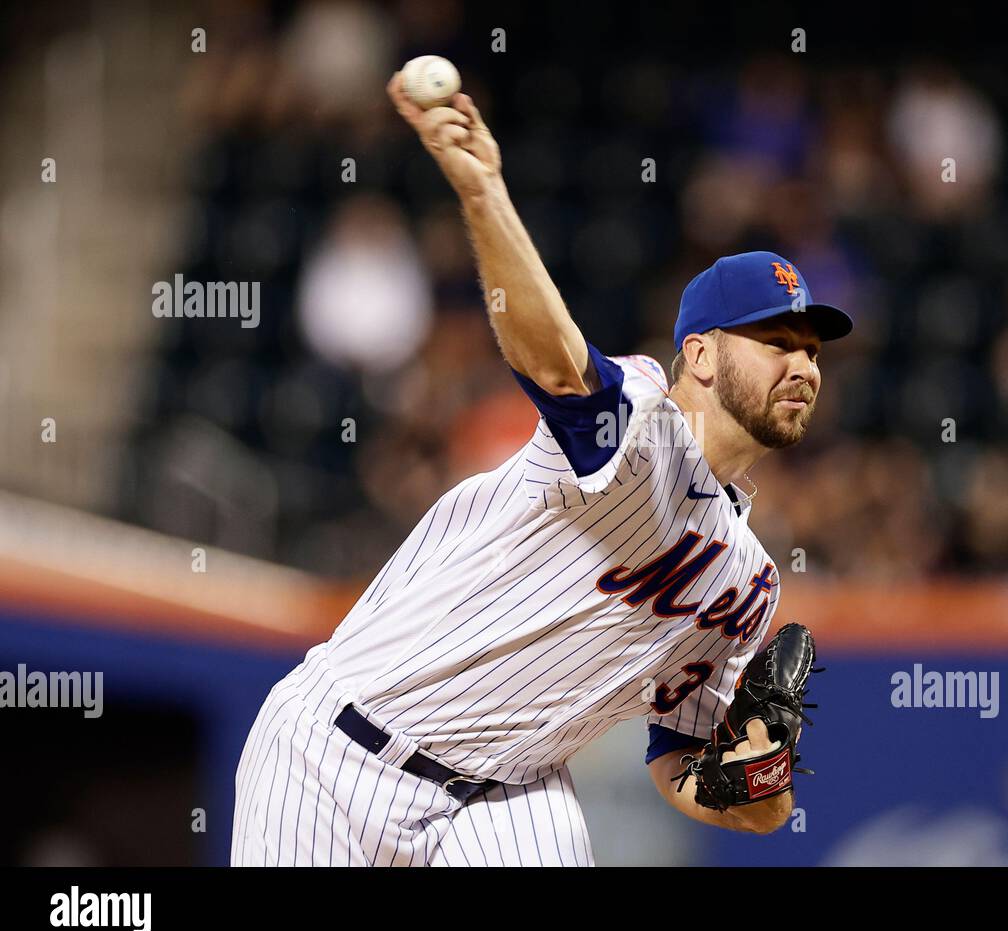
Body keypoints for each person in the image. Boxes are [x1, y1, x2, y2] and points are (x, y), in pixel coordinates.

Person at [229, 77, 852, 866]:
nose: (802, 365)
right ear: (699, 352)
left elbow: (683, 765)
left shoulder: (749, 584)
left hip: (505, 796)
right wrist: (483, 188)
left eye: (811, 351)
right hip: (339, 751)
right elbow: (557, 366)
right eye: (776, 342)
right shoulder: (643, 425)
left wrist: (760, 782)